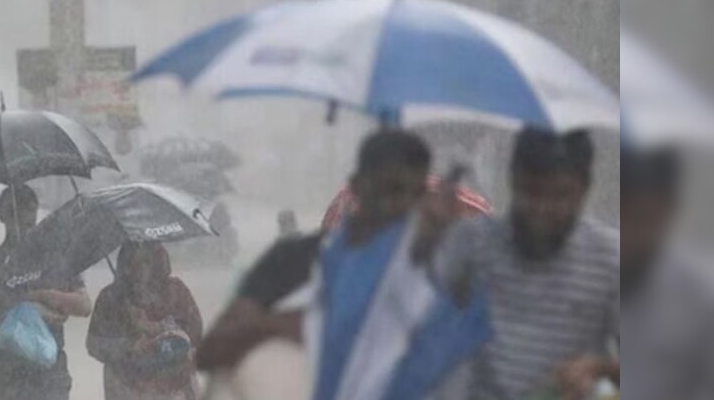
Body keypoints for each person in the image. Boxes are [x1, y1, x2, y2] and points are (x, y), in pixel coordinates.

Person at [197, 129, 432, 373]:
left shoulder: (434, 272)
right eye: (391, 190)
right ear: (357, 186)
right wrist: (296, 325)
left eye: (416, 194)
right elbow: (211, 351)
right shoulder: (294, 259)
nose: (403, 205)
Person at [422, 128, 619, 400]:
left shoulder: (610, 259)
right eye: (532, 192)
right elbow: (410, 321)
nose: (542, 210)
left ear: (583, 191)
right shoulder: (473, 242)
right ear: (512, 181)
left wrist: (599, 368)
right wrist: (426, 237)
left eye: (560, 196)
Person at [0, 184, 92, 400]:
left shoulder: (55, 257)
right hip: (4, 376)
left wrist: (42, 297)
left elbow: (84, 305)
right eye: (15, 212)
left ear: (36, 212)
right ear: (2, 215)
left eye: (29, 211)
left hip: (50, 377)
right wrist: (9, 290)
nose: (24, 219)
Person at [620, 146, 714, 399]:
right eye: (627, 216)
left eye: (645, 217)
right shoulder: (609, 268)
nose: (635, 233)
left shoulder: (699, 293)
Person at [87, 242, 203, 400]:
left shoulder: (176, 291)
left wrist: (161, 331)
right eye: (134, 262)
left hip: (172, 385)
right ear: (125, 262)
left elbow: (196, 334)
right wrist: (129, 345)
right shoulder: (111, 297)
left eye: (147, 261)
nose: (141, 269)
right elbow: (94, 343)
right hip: (125, 385)